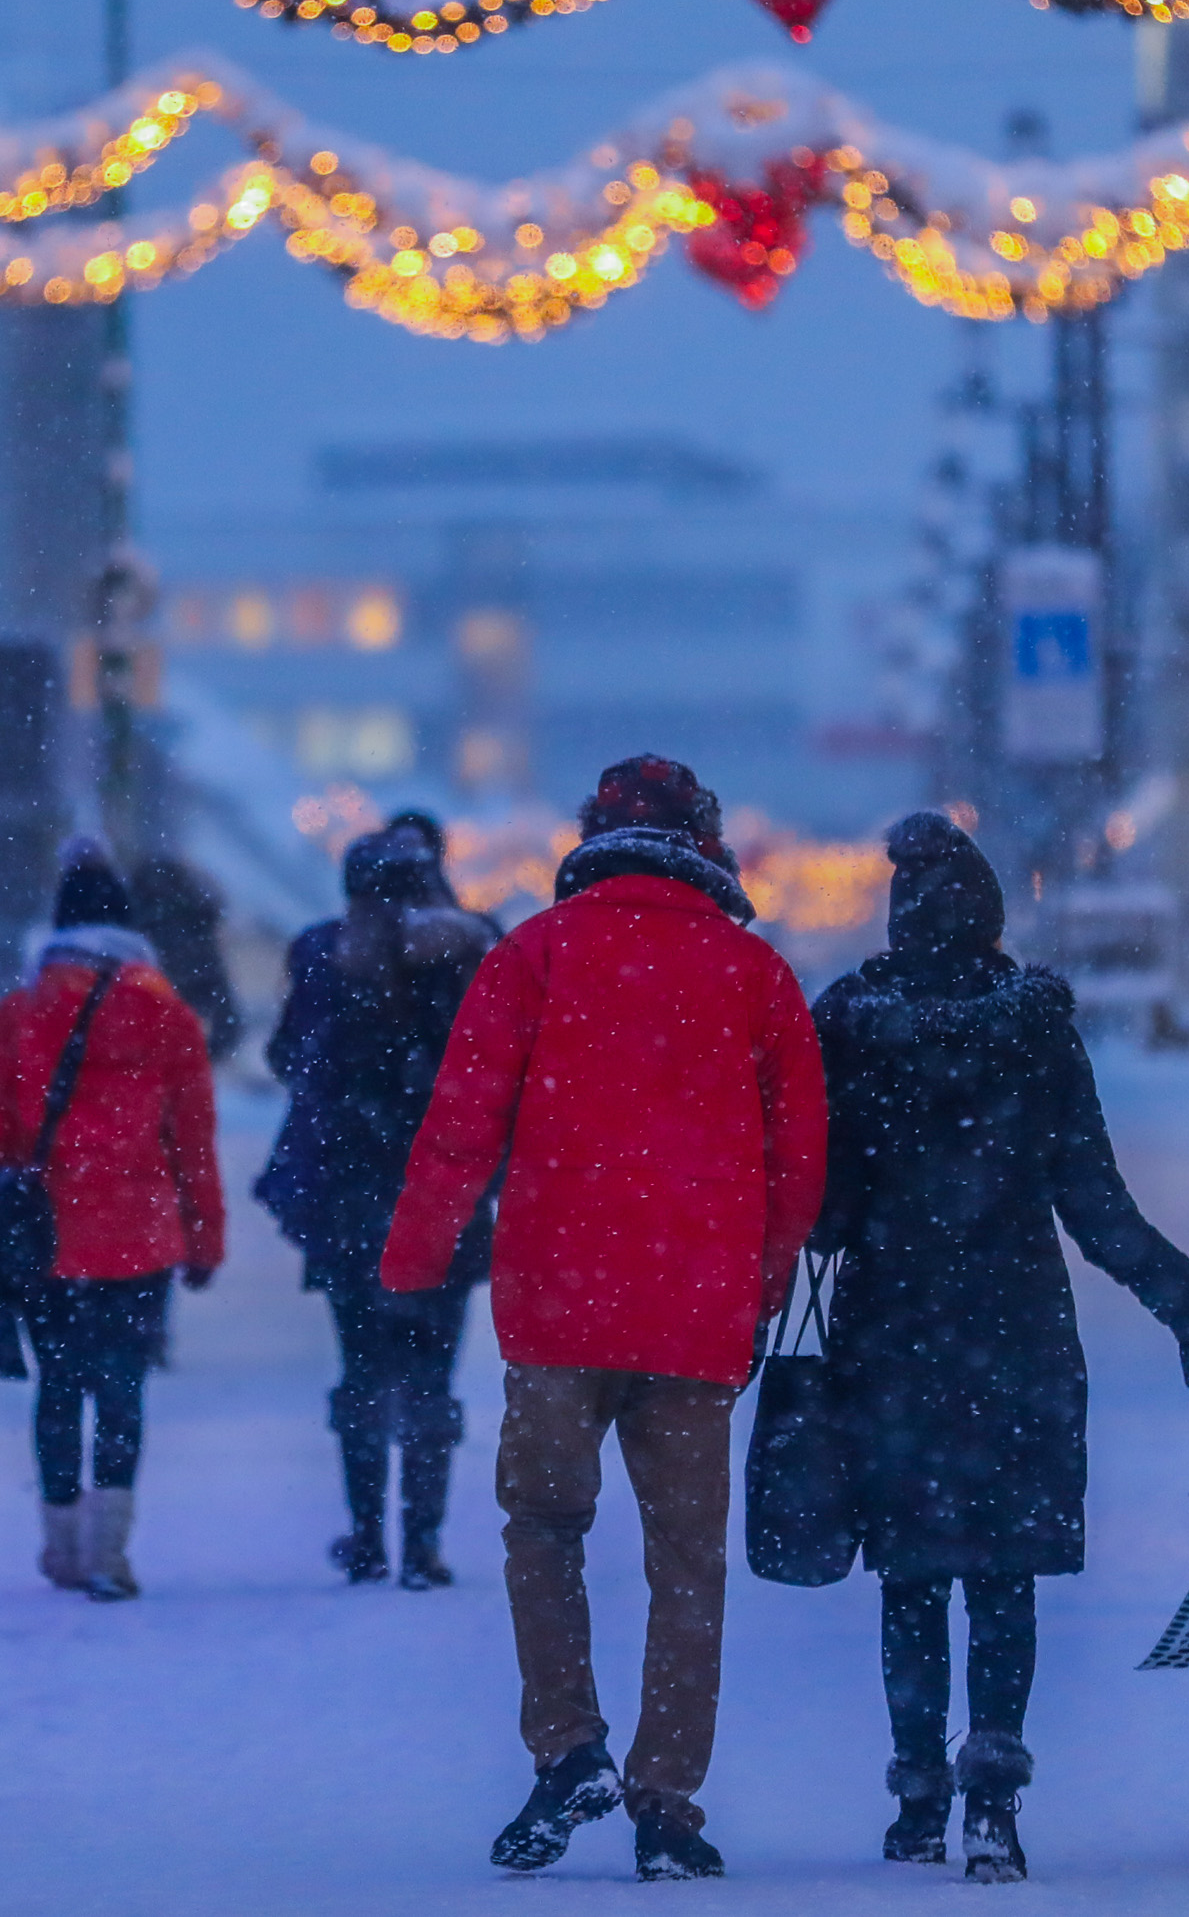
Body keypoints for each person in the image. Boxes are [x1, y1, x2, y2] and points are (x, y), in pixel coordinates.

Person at [385, 754, 825, 1885]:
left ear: (593, 837)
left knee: (543, 1526)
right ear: (704, 842)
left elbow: (461, 1119)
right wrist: (765, 1279)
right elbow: (800, 1156)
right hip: (695, 1311)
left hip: (557, 1303)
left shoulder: (535, 954)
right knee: (687, 1560)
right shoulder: (753, 971)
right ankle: (665, 1800)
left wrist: (417, 1255)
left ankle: (567, 1746)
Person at [814, 812, 1189, 1883]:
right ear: (989, 919)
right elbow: (1094, 1201)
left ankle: (917, 1798)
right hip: (1015, 1338)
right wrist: (1183, 1303)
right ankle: (992, 1803)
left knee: (910, 1576)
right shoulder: (1035, 1030)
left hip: (894, 1339)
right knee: (1004, 1575)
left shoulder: (855, 1032)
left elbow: (824, 1215)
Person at [0, 843, 223, 1602]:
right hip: (140, 1235)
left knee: (58, 1385)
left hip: (45, 1236)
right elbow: (192, 1139)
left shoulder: (19, 1014)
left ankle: (63, 1544)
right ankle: (110, 1548)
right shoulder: (168, 1015)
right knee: (121, 1388)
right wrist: (204, 1235)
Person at [257, 831, 494, 1585]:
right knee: (431, 1374)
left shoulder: (324, 956)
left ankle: (366, 1535)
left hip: (350, 1201)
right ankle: (423, 1543)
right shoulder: (473, 955)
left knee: (361, 1370)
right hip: (442, 1198)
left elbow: (288, 1058)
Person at [129, 852, 247, 1061]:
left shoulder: (137, 914)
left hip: (154, 987)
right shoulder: (197, 914)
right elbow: (227, 1022)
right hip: (196, 978)